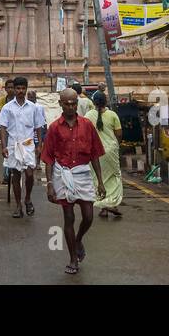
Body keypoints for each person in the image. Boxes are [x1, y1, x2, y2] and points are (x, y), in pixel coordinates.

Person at [41, 88, 105, 275]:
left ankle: (78, 240)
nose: (70, 107)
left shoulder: (87, 125)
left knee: (88, 216)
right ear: (60, 104)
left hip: (83, 174)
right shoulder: (54, 128)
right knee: (69, 217)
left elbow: (94, 155)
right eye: (67, 103)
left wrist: (100, 181)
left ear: (77, 103)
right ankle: (72, 258)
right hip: (63, 175)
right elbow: (48, 158)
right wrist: (50, 184)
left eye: (73, 103)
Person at [0, 76, 44, 218]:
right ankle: (18, 206)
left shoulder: (34, 108)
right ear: (14, 89)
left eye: (23, 88)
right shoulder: (7, 108)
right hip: (13, 144)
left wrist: (39, 145)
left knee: (29, 174)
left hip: (28, 144)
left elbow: (38, 127)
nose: (20, 91)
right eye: (18, 88)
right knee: (15, 175)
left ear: (26, 89)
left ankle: (28, 198)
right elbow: (3, 128)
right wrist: (4, 146)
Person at [87, 91, 125, 219]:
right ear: (106, 101)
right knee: (114, 177)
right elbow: (119, 134)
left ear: (93, 102)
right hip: (110, 151)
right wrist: (115, 145)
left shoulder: (88, 115)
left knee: (98, 178)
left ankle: (103, 207)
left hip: (95, 152)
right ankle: (112, 204)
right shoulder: (112, 115)